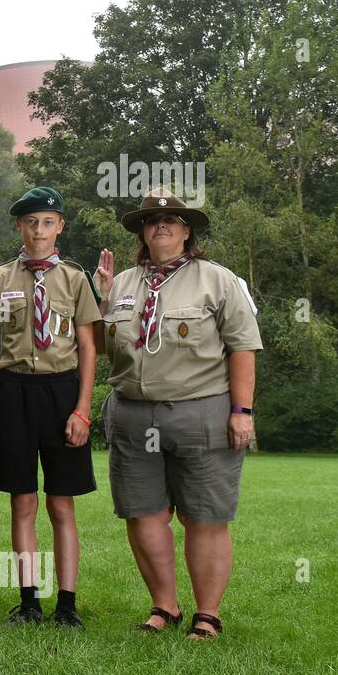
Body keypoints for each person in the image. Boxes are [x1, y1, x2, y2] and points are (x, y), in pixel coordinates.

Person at [94, 188, 261, 640]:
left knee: (204, 516)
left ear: (187, 231)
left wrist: (242, 411)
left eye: (171, 219)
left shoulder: (218, 280)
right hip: (132, 414)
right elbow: (102, 351)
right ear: (142, 232)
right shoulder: (121, 283)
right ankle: (164, 607)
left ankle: (207, 615)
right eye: (152, 220)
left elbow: (243, 347)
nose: (161, 225)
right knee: (143, 513)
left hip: (201, 411)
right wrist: (102, 304)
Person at [0, 186, 101, 627]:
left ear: (60, 226)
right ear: (19, 227)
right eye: (30, 222)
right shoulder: (0, 278)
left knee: (61, 504)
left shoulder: (75, 279)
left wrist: (83, 409)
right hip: (16, 392)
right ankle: (29, 603)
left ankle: (67, 605)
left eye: (47, 222)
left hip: (62, 392)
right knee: (22, 503)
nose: (38, 230)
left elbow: (89, 348)